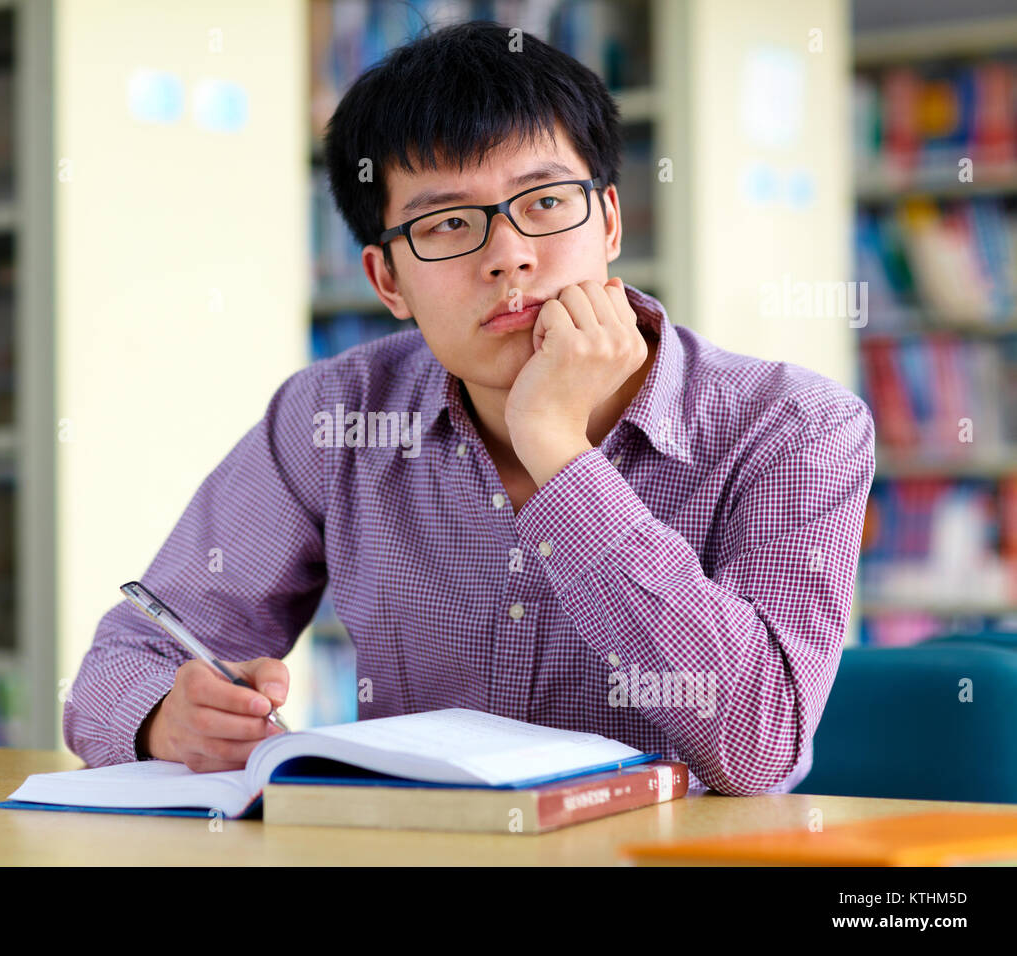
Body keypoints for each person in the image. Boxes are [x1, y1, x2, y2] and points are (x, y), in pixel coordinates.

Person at [63, 20, 875, 795]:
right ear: (387, 282)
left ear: (611, 221)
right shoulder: (335, 416)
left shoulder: (794, 427)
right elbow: (125, 660)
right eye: (449, 223)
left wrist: (559, 453)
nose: (510, 255)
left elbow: (757, 745)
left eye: (547, 203)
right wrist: (166, 718)